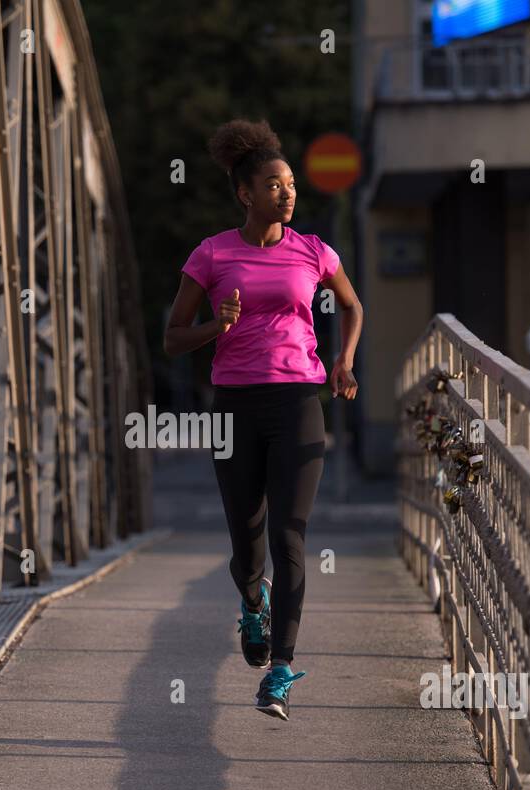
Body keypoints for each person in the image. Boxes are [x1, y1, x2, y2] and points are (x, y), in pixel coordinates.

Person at [164, 118, 362, 721]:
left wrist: (343, 363)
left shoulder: (313, 250)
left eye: (292, 183)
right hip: (235, 405)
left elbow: (352, 306)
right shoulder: (213, 253)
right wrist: (216, 328)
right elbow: (174, 339)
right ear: (246, 193)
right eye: (275, 184)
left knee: (289, 536)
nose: (288, 192)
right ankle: (254, 602)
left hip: (299, 401)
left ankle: (280, 669)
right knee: (247, 540)